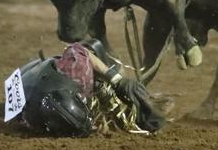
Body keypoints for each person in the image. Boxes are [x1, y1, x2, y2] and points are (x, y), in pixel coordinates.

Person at [13, 41, 169, 136]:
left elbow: (79, 49)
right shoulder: (29, 117)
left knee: (95, 47)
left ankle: (115, 91)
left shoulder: (77, 73)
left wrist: (116, 80)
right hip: (31, 78)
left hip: (40, 75)